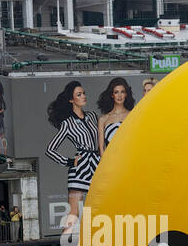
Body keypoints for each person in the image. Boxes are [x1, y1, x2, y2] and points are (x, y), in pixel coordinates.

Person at [46, 81, 99, 230]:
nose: (83, 96)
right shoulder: (67, 124)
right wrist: (69, 161)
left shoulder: (92, 116)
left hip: (97, 162)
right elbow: (50, 149)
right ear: (71, 100)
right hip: (80, 166)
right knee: (73, 212)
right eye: (79, 94)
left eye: (83, 93)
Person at [97, 77, 135, 152]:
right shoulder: (103, 119)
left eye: (122, 92)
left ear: (126, 94)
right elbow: (101, 149)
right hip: (109, 161)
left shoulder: (132, 115)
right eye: (116, 92)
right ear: (112, 95)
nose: (119, 95)